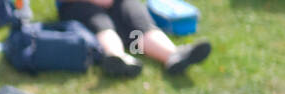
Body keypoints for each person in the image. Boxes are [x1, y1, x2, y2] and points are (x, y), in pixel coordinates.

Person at [55, 1, 211, 78]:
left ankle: (172, 55)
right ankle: (116, 57)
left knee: (137, 22)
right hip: (78, 4)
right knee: (102, 23)